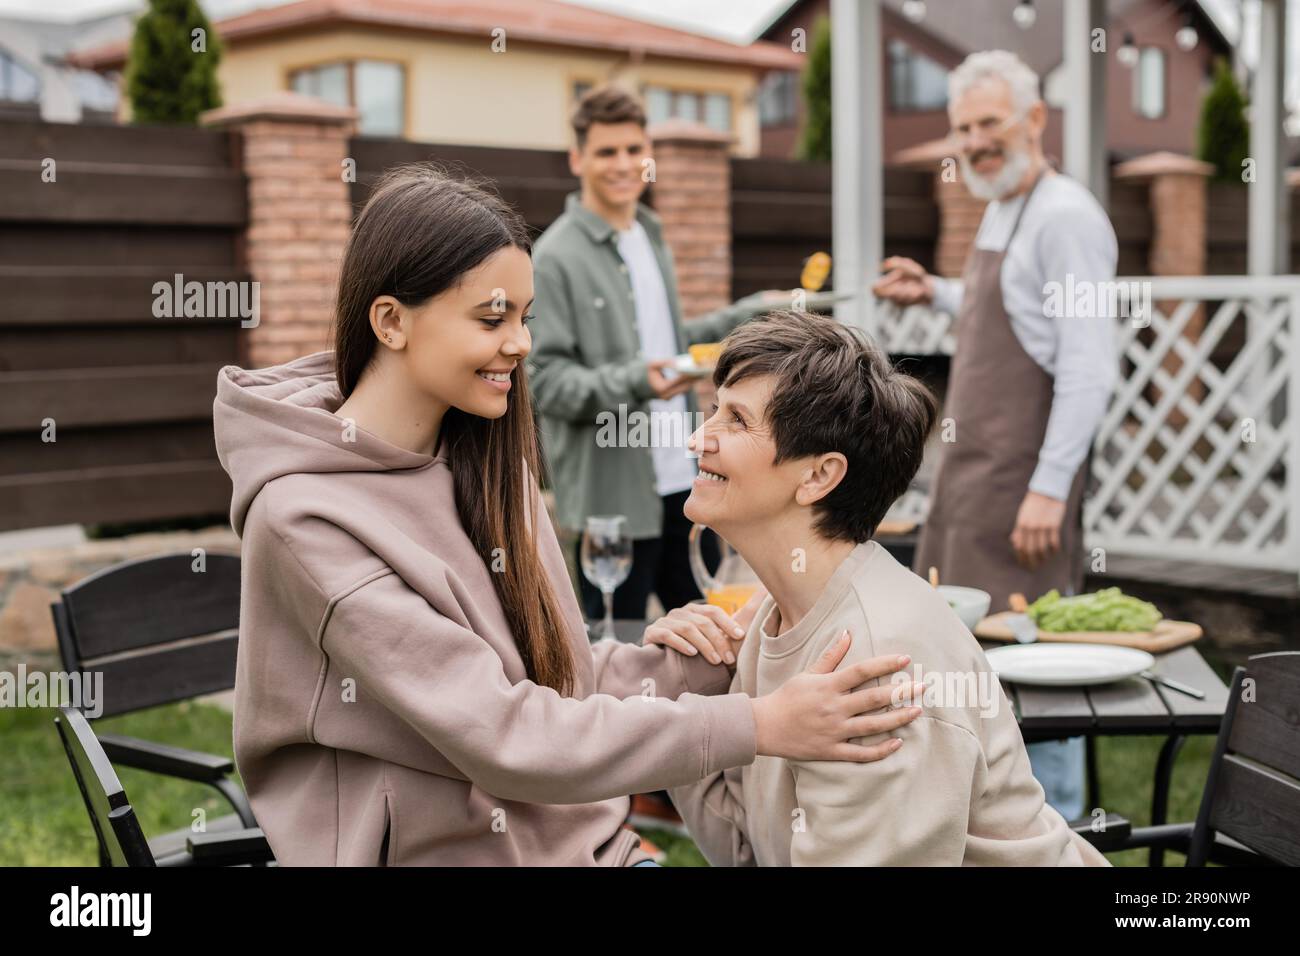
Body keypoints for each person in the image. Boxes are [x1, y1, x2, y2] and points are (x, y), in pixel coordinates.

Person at [211, 164, 921, 866]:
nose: (521, 345)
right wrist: (760, 724)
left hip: (582, 842)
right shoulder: (305, 519)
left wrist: (702, 659)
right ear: (391, 321)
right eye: (493, 318)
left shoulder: (488, 464)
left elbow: (552, 678)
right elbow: (505, 734)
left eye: (525, 317)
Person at [663, 312, 1110, 866]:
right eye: (713, 412)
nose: (697, 438)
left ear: (818, 476)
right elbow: (750, 844)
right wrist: (682, 692)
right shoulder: (777, 617)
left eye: (736, 419)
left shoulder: (877, 662)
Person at [872, 50, 1119, 820]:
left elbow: (1088, 366)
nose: (974, 141)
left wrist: (1049, 490)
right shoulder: (1006, 204)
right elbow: (1014, 311)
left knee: (1038, 671)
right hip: (970, 485)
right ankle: (989, 831)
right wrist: (939, 291)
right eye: (963, 127)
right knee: (975, 668)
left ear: (1035, 119)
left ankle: (1063, 830)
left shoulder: (1069, 217)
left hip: (1018, 492)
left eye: (990, 123)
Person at [529, 84, 781, 622]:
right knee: (613, 642)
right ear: (577, 159)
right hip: (612, 500)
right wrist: (638, 380)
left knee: (716, 638)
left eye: (632, 150)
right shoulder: (552, 258)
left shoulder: (650, 233)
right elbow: (545, 381)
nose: (623, 165)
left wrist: (756, 309)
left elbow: (670, 344)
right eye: (606, 152)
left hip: (686, 481)